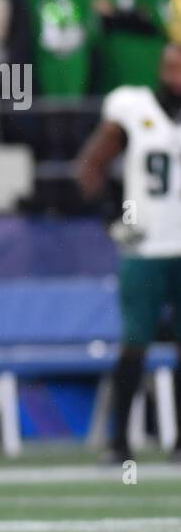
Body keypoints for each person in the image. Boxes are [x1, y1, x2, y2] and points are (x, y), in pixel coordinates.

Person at [76, 43, 181, 465]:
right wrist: (112, 218)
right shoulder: (134, 109)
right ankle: (119, 442)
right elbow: (90, 166)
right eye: (170, 66)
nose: (175, 75)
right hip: (145, 248)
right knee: (134, 343)